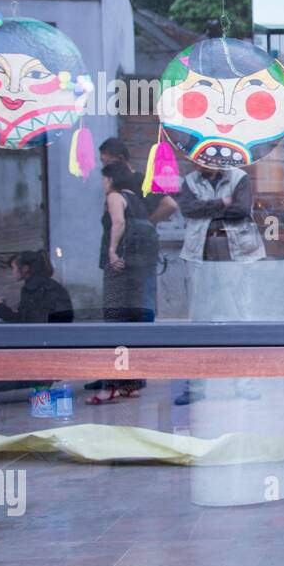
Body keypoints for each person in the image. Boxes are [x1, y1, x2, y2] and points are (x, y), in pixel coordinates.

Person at [174, 162, 265, 403]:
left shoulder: (239, 177)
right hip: (199, 254)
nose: (200, 162)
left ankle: (244, 382)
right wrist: (221, 203)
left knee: (239, 318)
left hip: (234, 253)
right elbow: (188, 208)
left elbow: (241, 209)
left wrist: (209, 208)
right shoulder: (191, 179)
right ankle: (195, 386)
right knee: (198, 321)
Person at [93, 163, 156, 404]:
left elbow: (117, 223)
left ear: (110, 179)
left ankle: (111, 385)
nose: (103, 184)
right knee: (133, 322)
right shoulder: (137, 199)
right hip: (137, 269)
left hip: (118, 267)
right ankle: (132, 384)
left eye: (104, 179)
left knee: (113, 323)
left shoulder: (115, 197)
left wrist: (111, 251)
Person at [0, 250, 75, 394]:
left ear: (25, 269)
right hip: (51, 345)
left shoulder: (34, 289)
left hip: (44, 348)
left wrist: (1, 307)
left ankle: (41, 376)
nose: (12, 272)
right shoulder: (48, 285)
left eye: (13, 268)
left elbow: (26, 322)